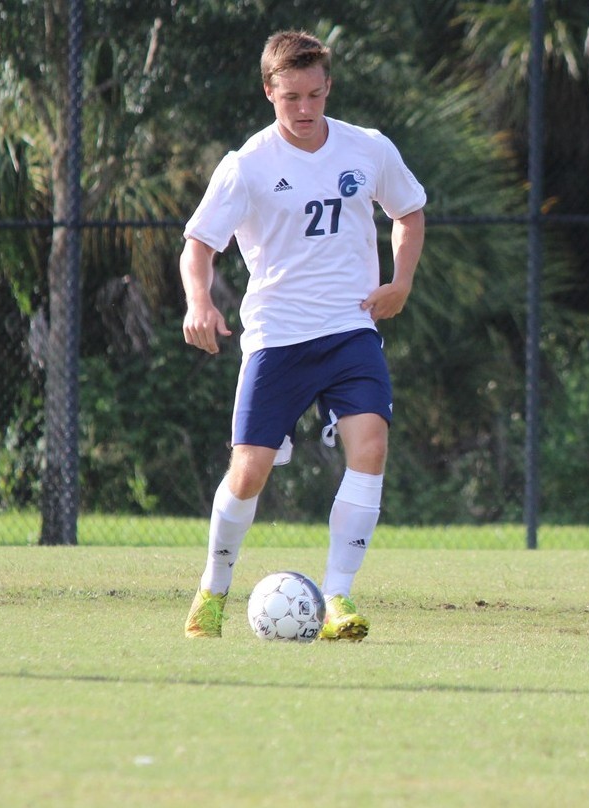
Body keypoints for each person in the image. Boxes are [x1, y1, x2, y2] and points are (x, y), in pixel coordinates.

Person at [180, 30, 426, 641]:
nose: (306, 108)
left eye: (315, 94)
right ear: (270, 91)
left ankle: (338, 598)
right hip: (277, 338)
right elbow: (198, 246)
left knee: (369, 446)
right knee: (250, 470)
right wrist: (199, 301)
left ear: (328, 87)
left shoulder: (367, 148)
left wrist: (400, 282)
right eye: (291, 96)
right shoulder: (247, 166)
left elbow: (409, 213)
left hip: (349, 329)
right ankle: (211, 591)